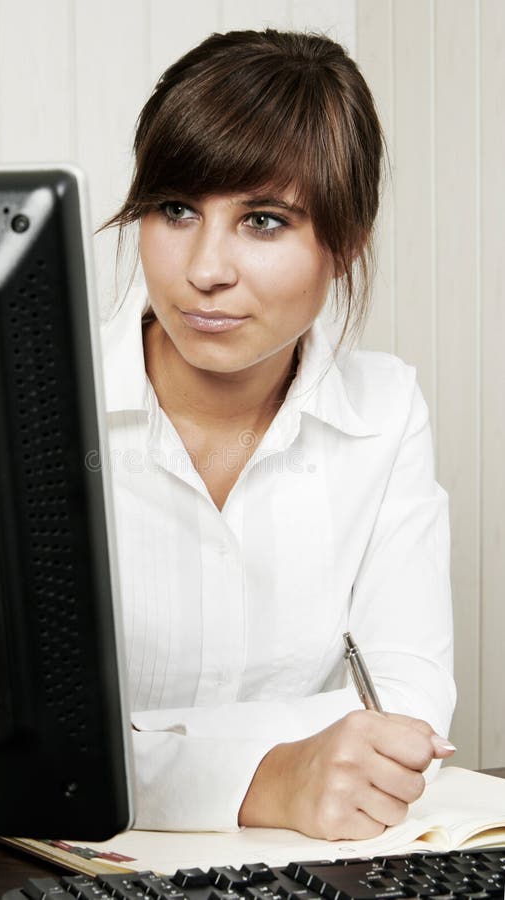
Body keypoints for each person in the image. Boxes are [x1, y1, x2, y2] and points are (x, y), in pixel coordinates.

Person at [99, 28, 456, 840]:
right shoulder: (41, 403)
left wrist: (141, 746)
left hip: (295, 868)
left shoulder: (385, 410)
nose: (204, 269)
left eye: (262, 221)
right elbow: (1, 742)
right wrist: (267, 775)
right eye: (175, 209)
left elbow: (405, 709)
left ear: (346, 243)